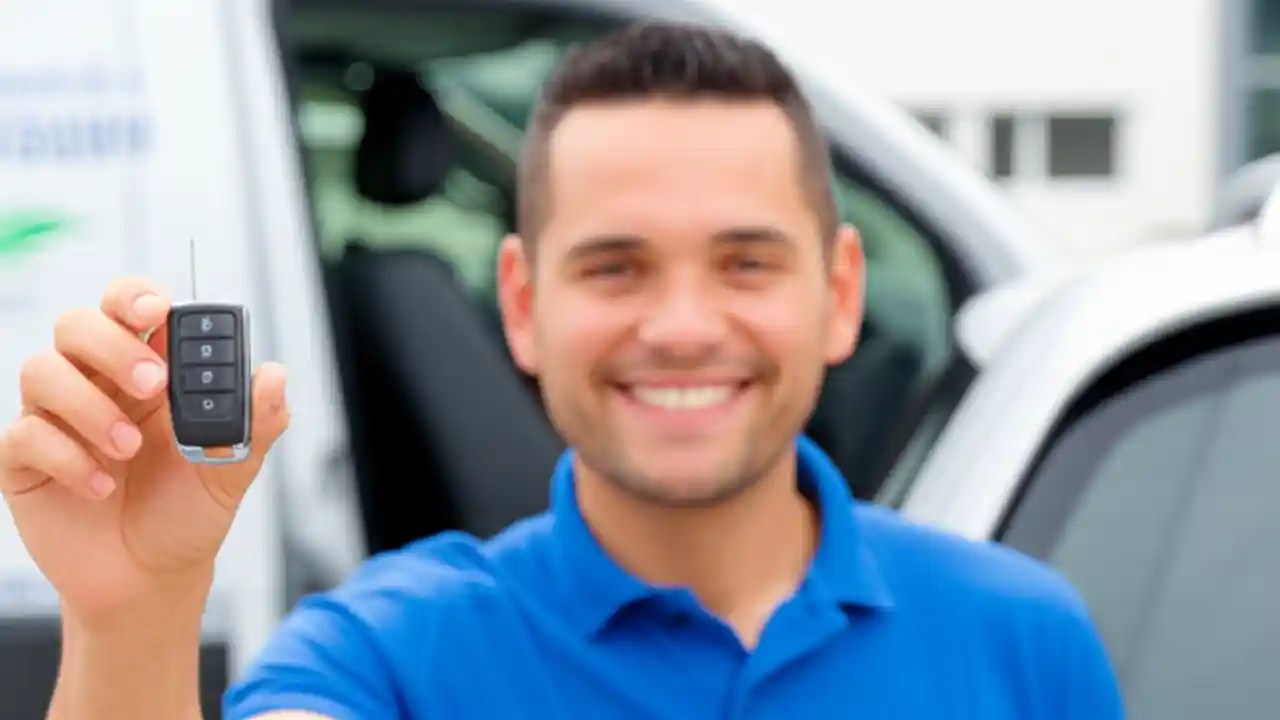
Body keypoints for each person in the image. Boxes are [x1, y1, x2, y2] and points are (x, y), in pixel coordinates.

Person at [0, 21, 1124, 720]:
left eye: (743, 261)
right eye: (615, 266)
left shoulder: (1020, 637)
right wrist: (131, 616)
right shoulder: (385, 653)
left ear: (836, 294)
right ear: (523, 305)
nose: (681, 326)